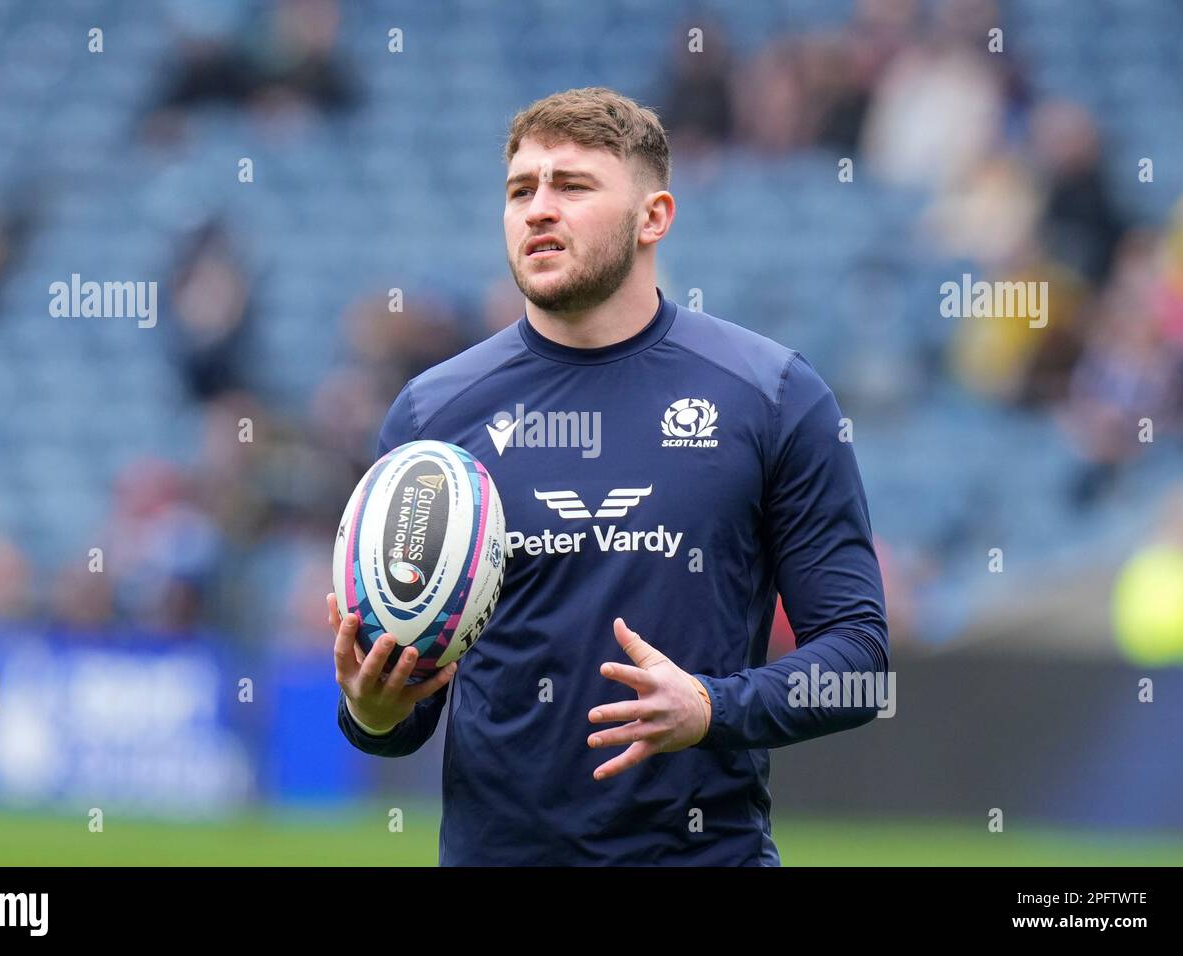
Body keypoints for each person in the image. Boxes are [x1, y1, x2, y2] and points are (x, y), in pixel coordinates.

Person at [331, 87, 889, 866]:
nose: (538, 210)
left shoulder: (772, 397)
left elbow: (859, 657)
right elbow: (402, 713)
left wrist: (712, 707)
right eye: (521, 190)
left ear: (653, 216)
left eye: (574, 186)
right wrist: (375, 709)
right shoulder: (434, 419)